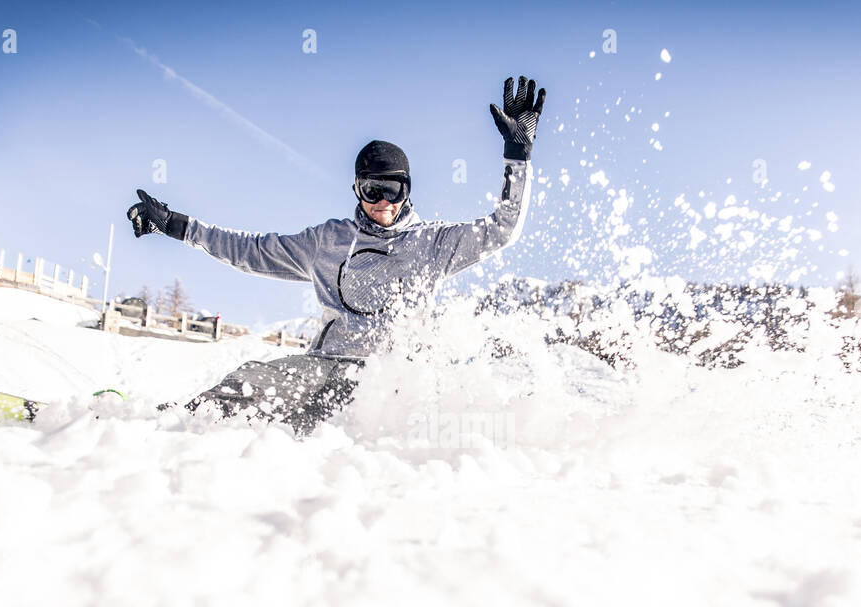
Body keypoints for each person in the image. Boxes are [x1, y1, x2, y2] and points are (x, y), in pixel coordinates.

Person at [127, 76, 547, 433]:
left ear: (408, 191)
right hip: (327, 370)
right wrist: (176, 225)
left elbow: (502, 229)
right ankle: (180, 428)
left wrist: (518, 157)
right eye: (372, 190)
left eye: (394, 190)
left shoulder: (431, 245)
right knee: (254, 383)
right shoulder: (328, 242)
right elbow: (249, 250)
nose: (383, 202)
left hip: (394, 383)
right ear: (357, 190)